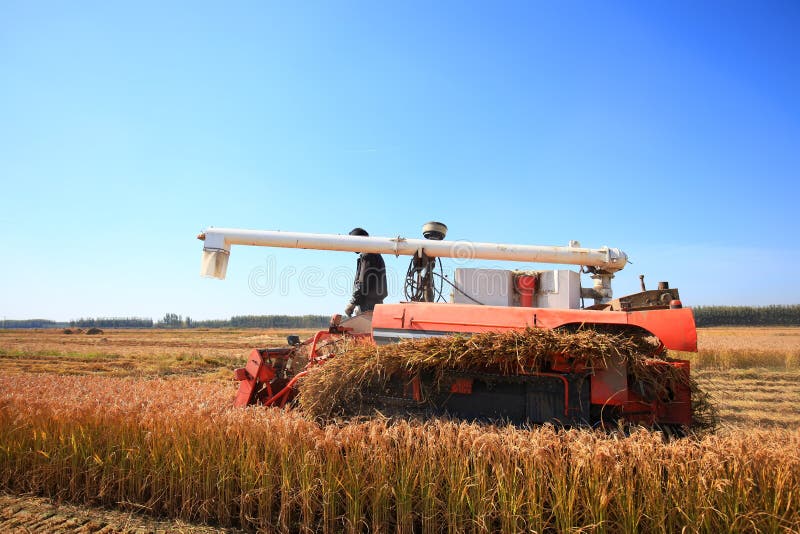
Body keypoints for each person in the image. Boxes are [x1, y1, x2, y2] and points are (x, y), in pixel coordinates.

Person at [344, 228, 388, 316]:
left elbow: (363, 282)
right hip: (376, 303)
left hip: (367, 304)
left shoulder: (368, 255)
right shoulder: (375, 254)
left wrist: (352, 303)